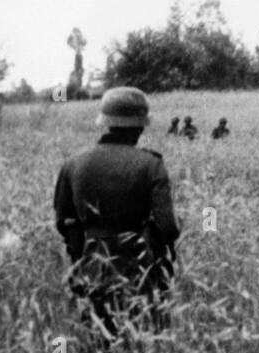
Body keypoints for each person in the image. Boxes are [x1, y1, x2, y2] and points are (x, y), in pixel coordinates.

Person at [54, 87, 180, 339]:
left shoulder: (73, 163)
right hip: (138, 265)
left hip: (88, 264)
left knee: (93, 337)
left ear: (105, 123)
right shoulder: (151, 164)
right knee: (143, 337)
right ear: (141, 126)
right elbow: (168, 228)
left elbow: (63, 222)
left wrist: (82, 253)